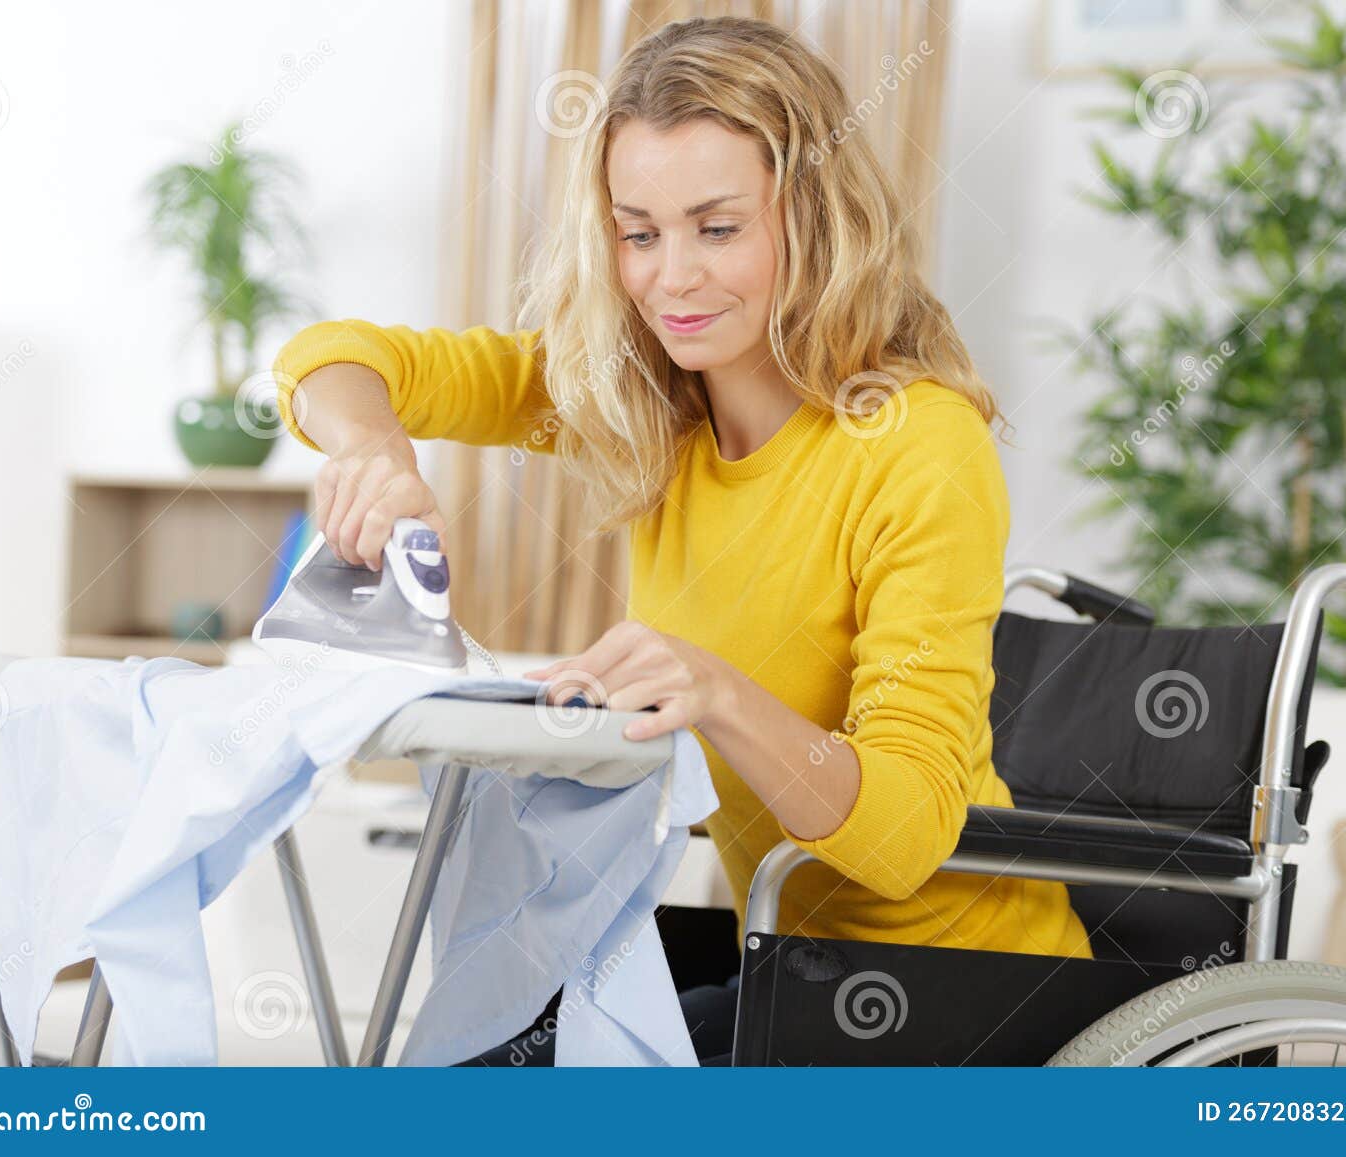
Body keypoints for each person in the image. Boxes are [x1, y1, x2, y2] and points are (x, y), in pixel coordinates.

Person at [273, 15, 1092, 1066]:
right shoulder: (642, 402)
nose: (671, 279)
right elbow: (331, 357)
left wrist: (715, 693)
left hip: (959, 990)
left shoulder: (915, 444)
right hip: (785, 959)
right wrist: (378, 452)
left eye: (718, 227)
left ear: (813, 216)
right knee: (476, 1056)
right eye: (638, 231)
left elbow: (904, 833)